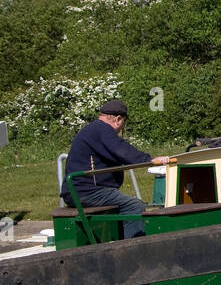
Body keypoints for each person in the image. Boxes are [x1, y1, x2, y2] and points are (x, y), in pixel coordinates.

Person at [64, 99, 172, 239]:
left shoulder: (94, 129)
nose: (121, 128)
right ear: (118, 119)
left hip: (81, 189)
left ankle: (119, 238)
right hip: (86, 191)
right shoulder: (102, 129)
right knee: (134, 206)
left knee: (124, 202)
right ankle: (132, 247)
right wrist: (149, 160)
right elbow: (121, 149)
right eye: (123, 124)